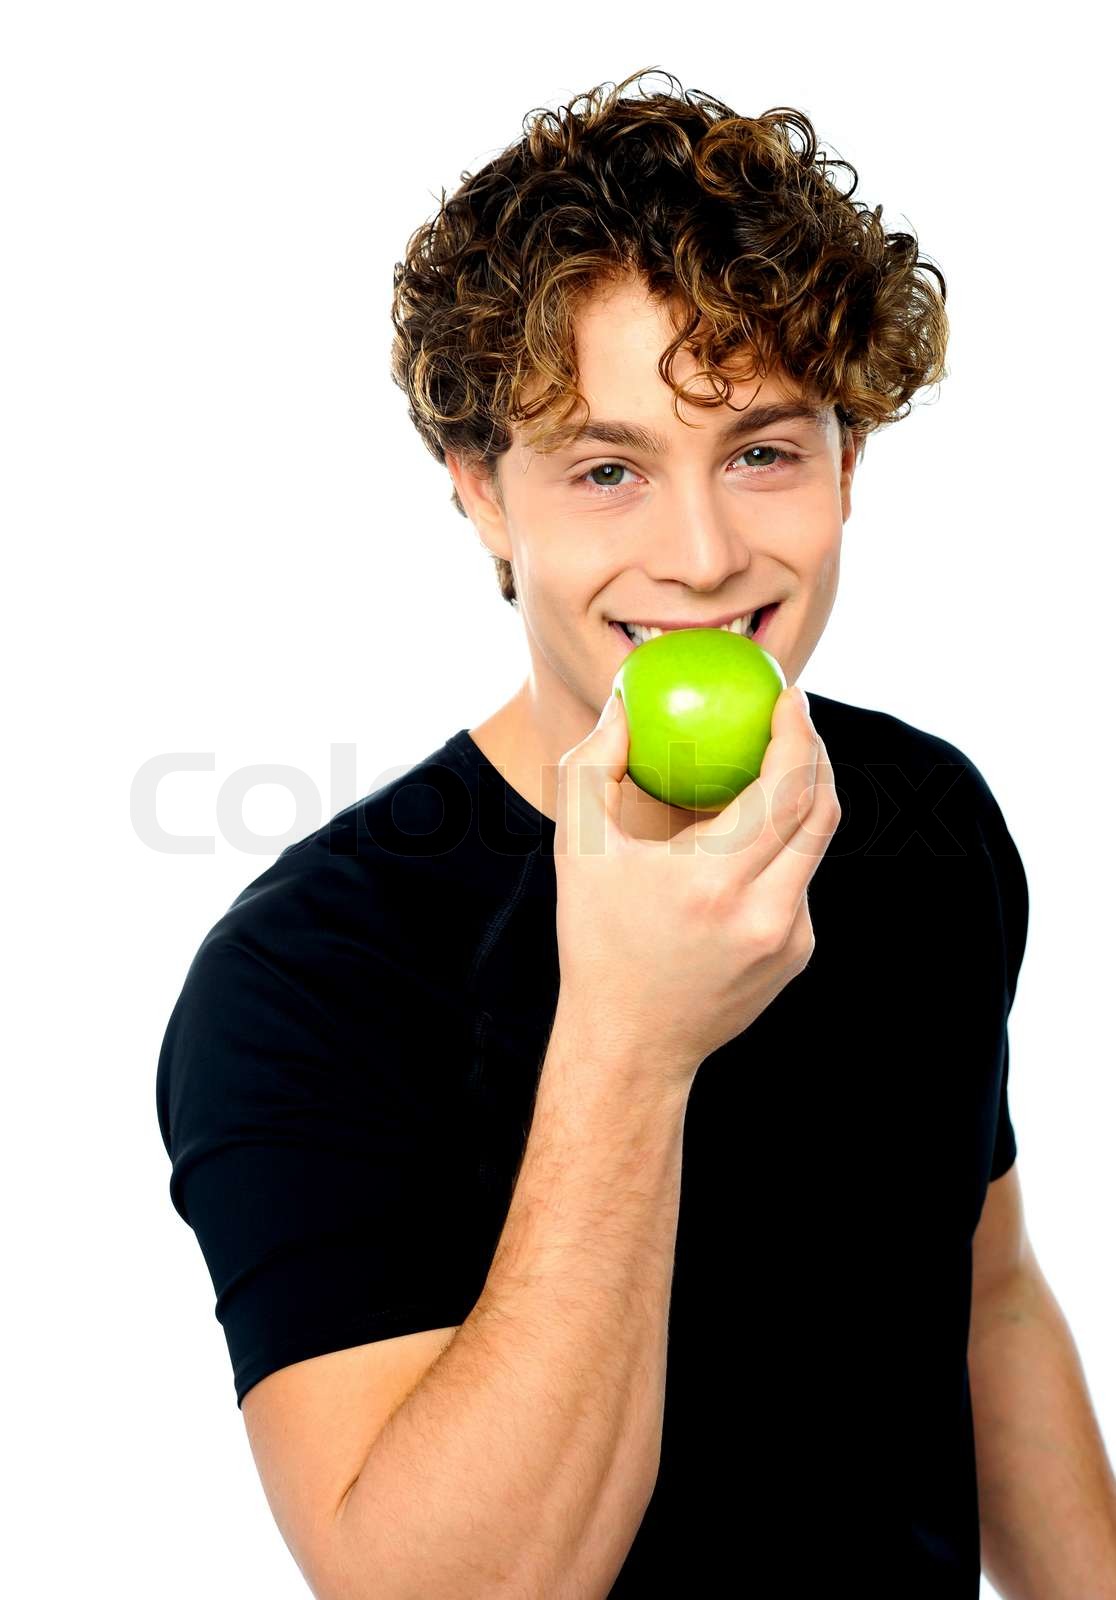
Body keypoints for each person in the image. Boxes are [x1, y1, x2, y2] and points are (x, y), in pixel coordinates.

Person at [156, 68, 1115, 1597]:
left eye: (761, 451)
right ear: (480, 492)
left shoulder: (932, 820)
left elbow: (987, 1294)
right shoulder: (307, 977)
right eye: (607, 470)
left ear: (846, 465)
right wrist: (630, 1038)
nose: (703, 555)